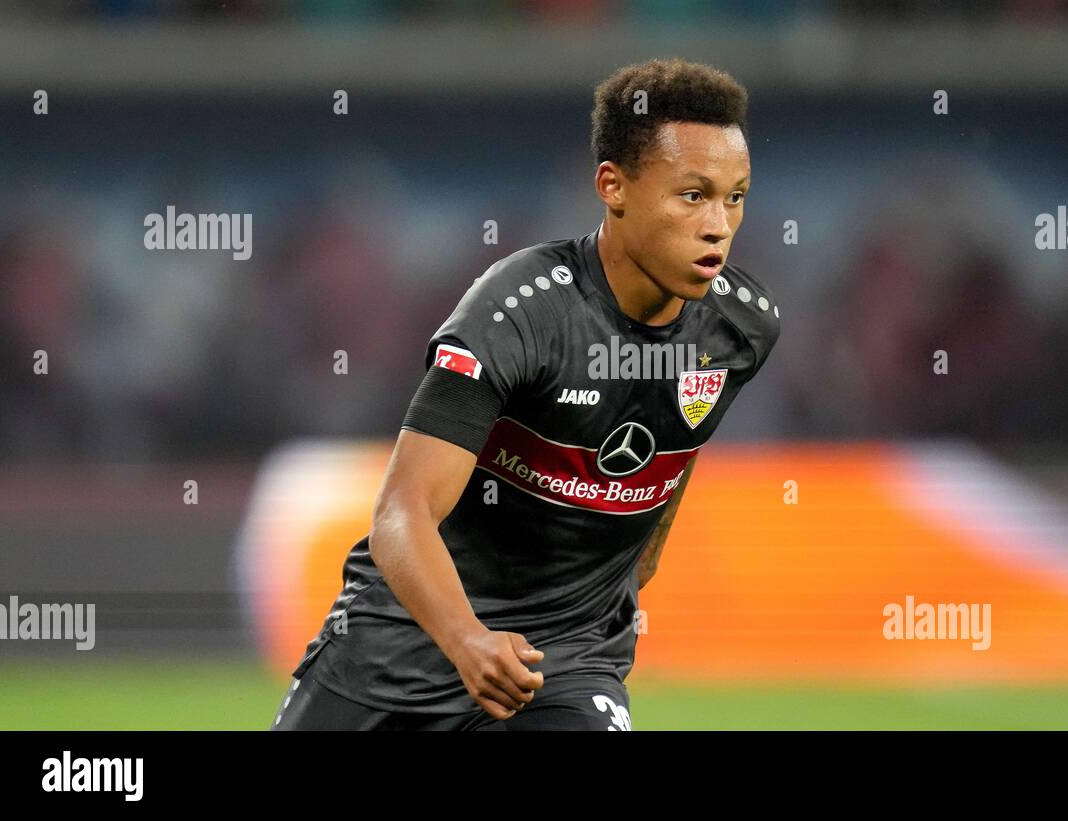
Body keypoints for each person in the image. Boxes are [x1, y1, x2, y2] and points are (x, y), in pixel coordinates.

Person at [273, 57, 779, 730]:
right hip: (400, 653)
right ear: (613, 186)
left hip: (563, 663)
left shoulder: (741, 325)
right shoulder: (519, 312)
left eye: (735, 196)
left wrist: (620, 590)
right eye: (693, 195)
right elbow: (403, 510)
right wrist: (467, 640)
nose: (718, 223)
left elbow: (671, 453)